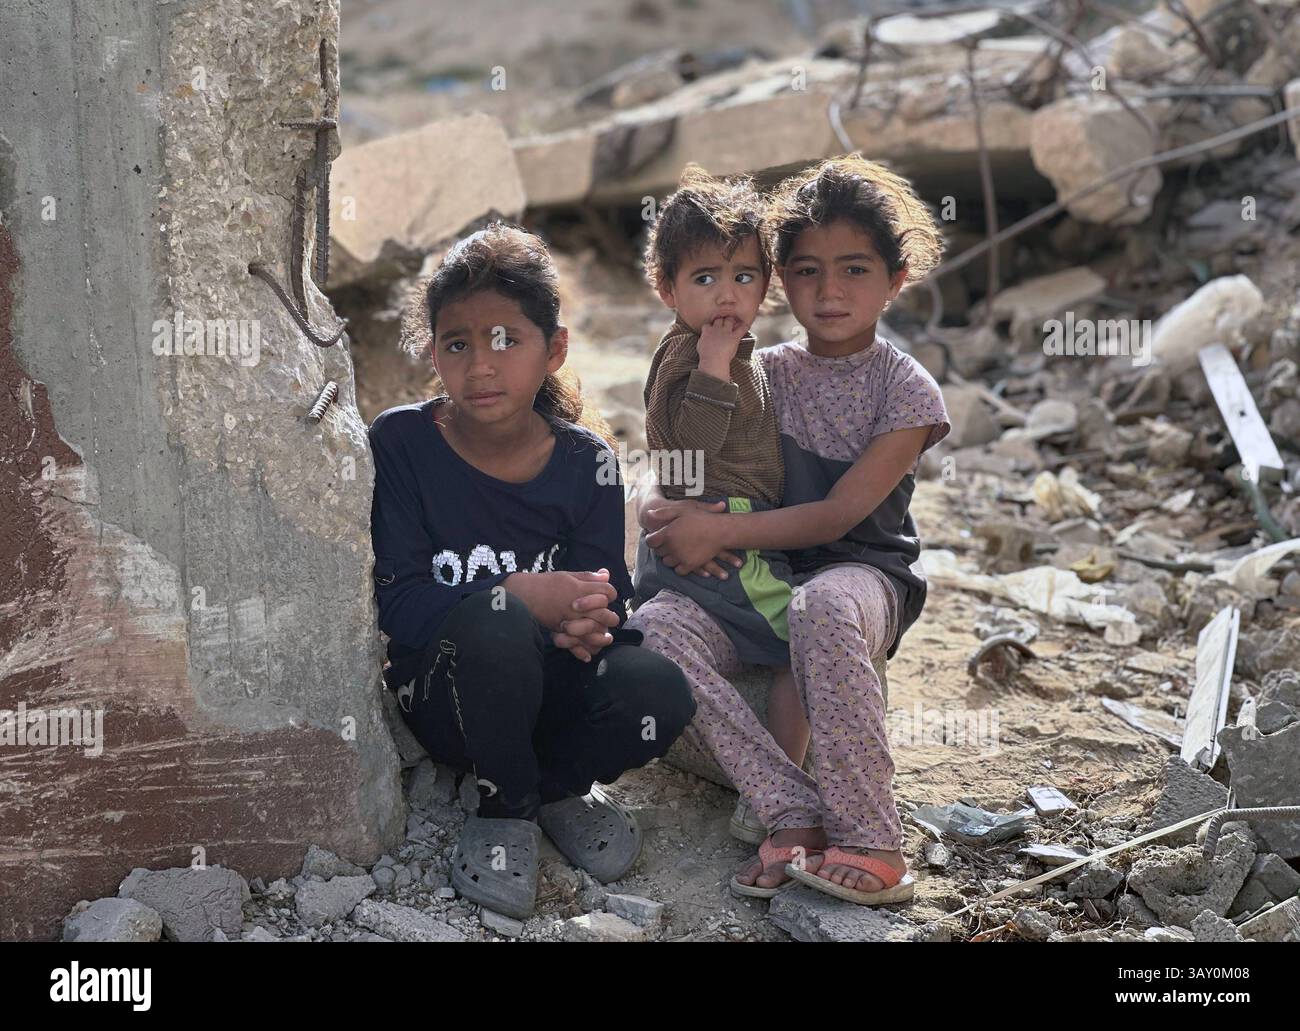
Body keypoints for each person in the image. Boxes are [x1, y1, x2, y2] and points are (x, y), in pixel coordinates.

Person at [629, 155, 951, 906]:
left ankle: (871, 836)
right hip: (756, 575)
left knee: (823, 606)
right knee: (652, 629)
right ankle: (790, 806)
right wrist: (660, 505)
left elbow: (841, 515)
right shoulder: (761, 366)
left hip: (860, 575)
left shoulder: (905, 389)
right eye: (807, 270)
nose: (830, 291)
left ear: (896, 279)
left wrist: (719, 534)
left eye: (855, 270)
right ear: (781, 279)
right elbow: (690, 452)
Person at [368, 223, 695, 920]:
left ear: (554, 350)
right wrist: (519, 595)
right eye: (457, 343)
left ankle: (554, 787)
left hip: (550, 691)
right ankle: (504, 807)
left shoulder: (589, 464)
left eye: (505, 340)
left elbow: (610, 598)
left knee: (657, 691)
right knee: (494, 619)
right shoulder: (401, 444)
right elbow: (398, 602)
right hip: (448, 697)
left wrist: (587, 624)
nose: (481, 365)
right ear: (433, 353)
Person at [636, 165, 809, 842]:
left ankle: (773, 781)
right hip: (724, 559)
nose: (726, 295)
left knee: (810, 642)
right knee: (803, 643)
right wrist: (713, 367)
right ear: (667, 288)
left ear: (766, 284)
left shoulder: (744, 353)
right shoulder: (692, 356)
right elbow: (692, 450)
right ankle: (779, 788)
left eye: (743, 276)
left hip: (732, 550)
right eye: (705, 279)